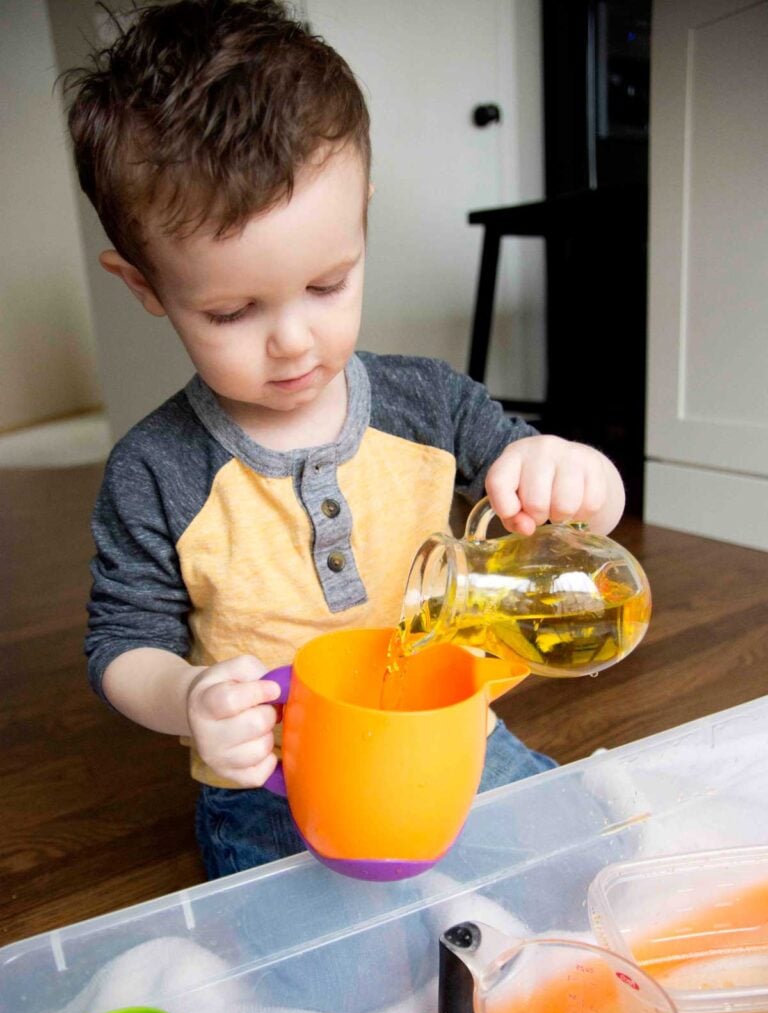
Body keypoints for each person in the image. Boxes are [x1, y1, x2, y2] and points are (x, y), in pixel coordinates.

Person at [64, 0, 626, 879]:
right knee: (325, 997)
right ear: (145, 286)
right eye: (231, 311)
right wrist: (187, 699)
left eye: (328, 284)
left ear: (361, 216)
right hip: (280, 792)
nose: (293, 341)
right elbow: (120, 644)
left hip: (453, 744)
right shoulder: (157, 468)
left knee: (585, 876)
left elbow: (588, 520)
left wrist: (574, 472)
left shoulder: (430, 402)